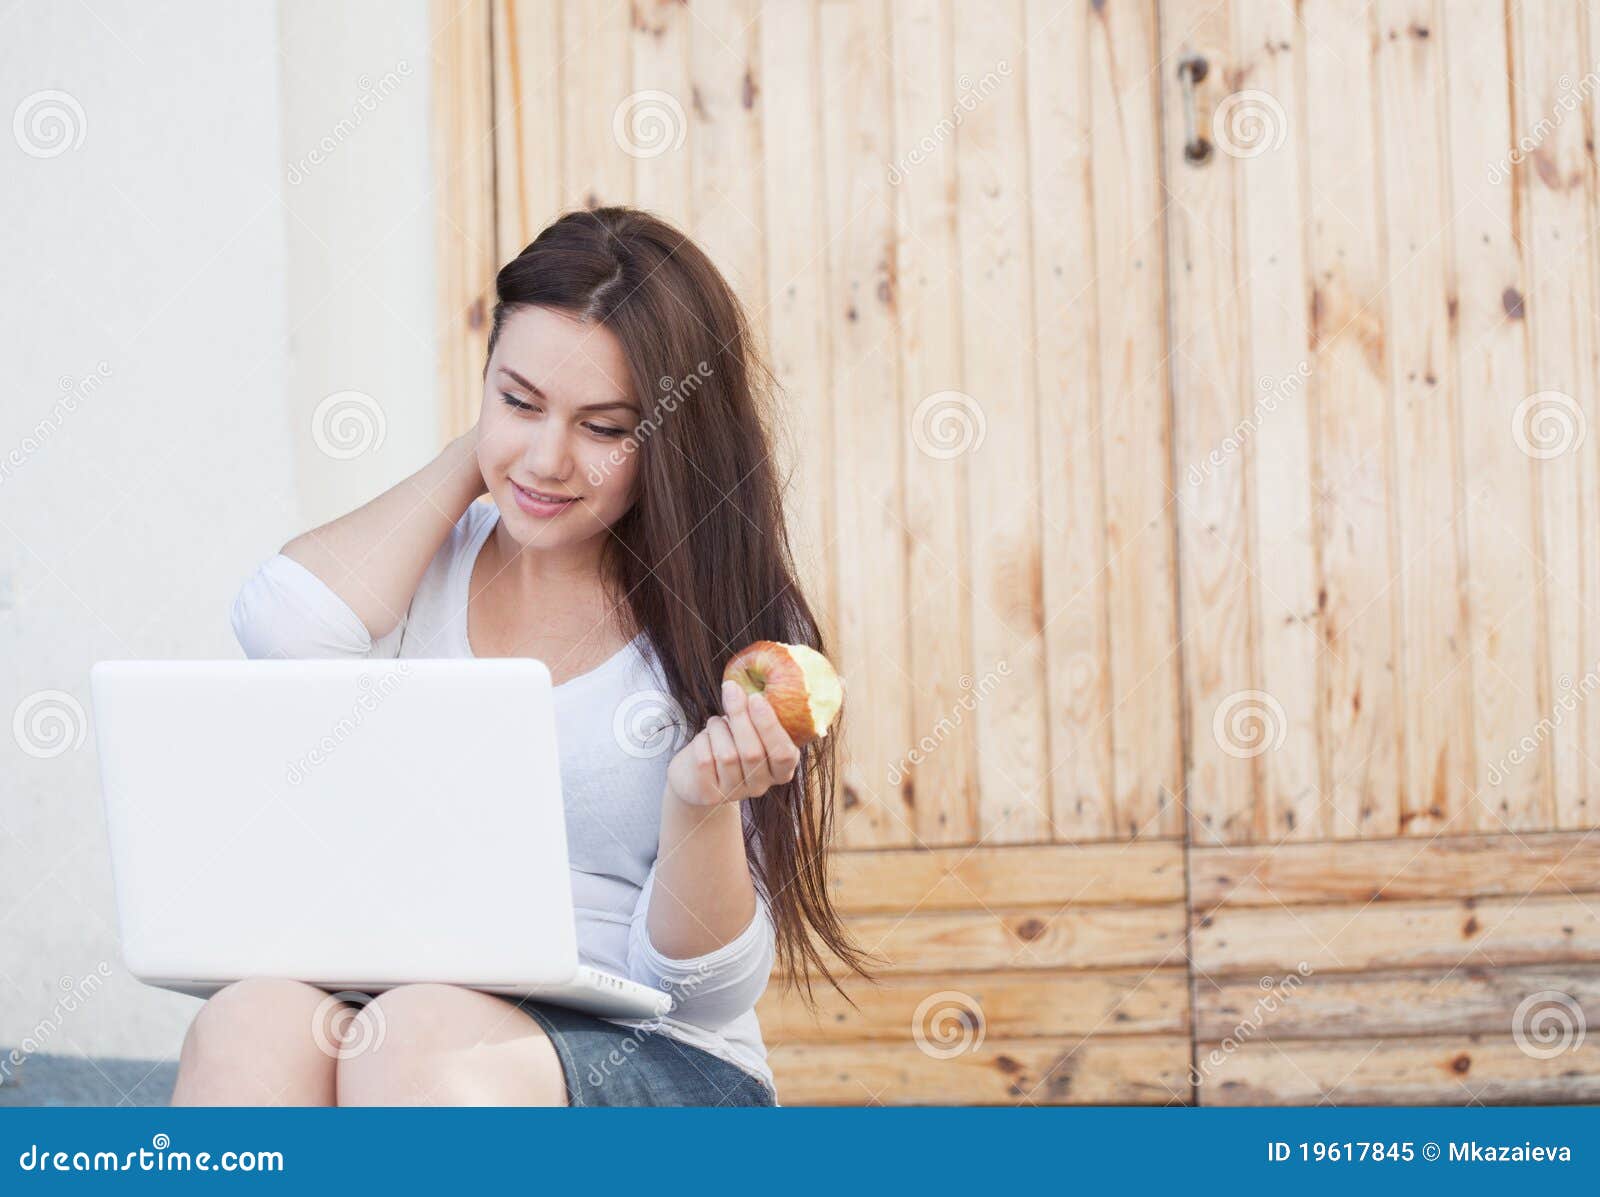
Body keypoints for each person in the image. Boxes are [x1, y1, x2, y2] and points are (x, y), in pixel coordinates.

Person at [175, 206, 872, 1107]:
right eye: (519, 399)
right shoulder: (422, 559)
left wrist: (697, 804)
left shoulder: (732, 623)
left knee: (419, 1038)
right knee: (249, 1023)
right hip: (407, 1008)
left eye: (604, 426)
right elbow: (279, 628)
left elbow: (707, 994)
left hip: (647, 1055)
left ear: (673, 437)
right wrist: (482, 457)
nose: (547, 459)